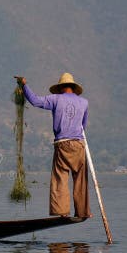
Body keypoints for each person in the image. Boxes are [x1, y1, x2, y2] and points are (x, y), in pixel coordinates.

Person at [14, 73, 92, 219]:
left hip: (62, 144)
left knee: (60, 177)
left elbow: (35, 101)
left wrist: (24, 85)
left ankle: (61, 211)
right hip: (79, 144)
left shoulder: (56, 99)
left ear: (61, 87)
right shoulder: (84, 102)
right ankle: (83, 212)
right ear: (73, 88)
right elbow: (83, 126)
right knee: (81, 178)